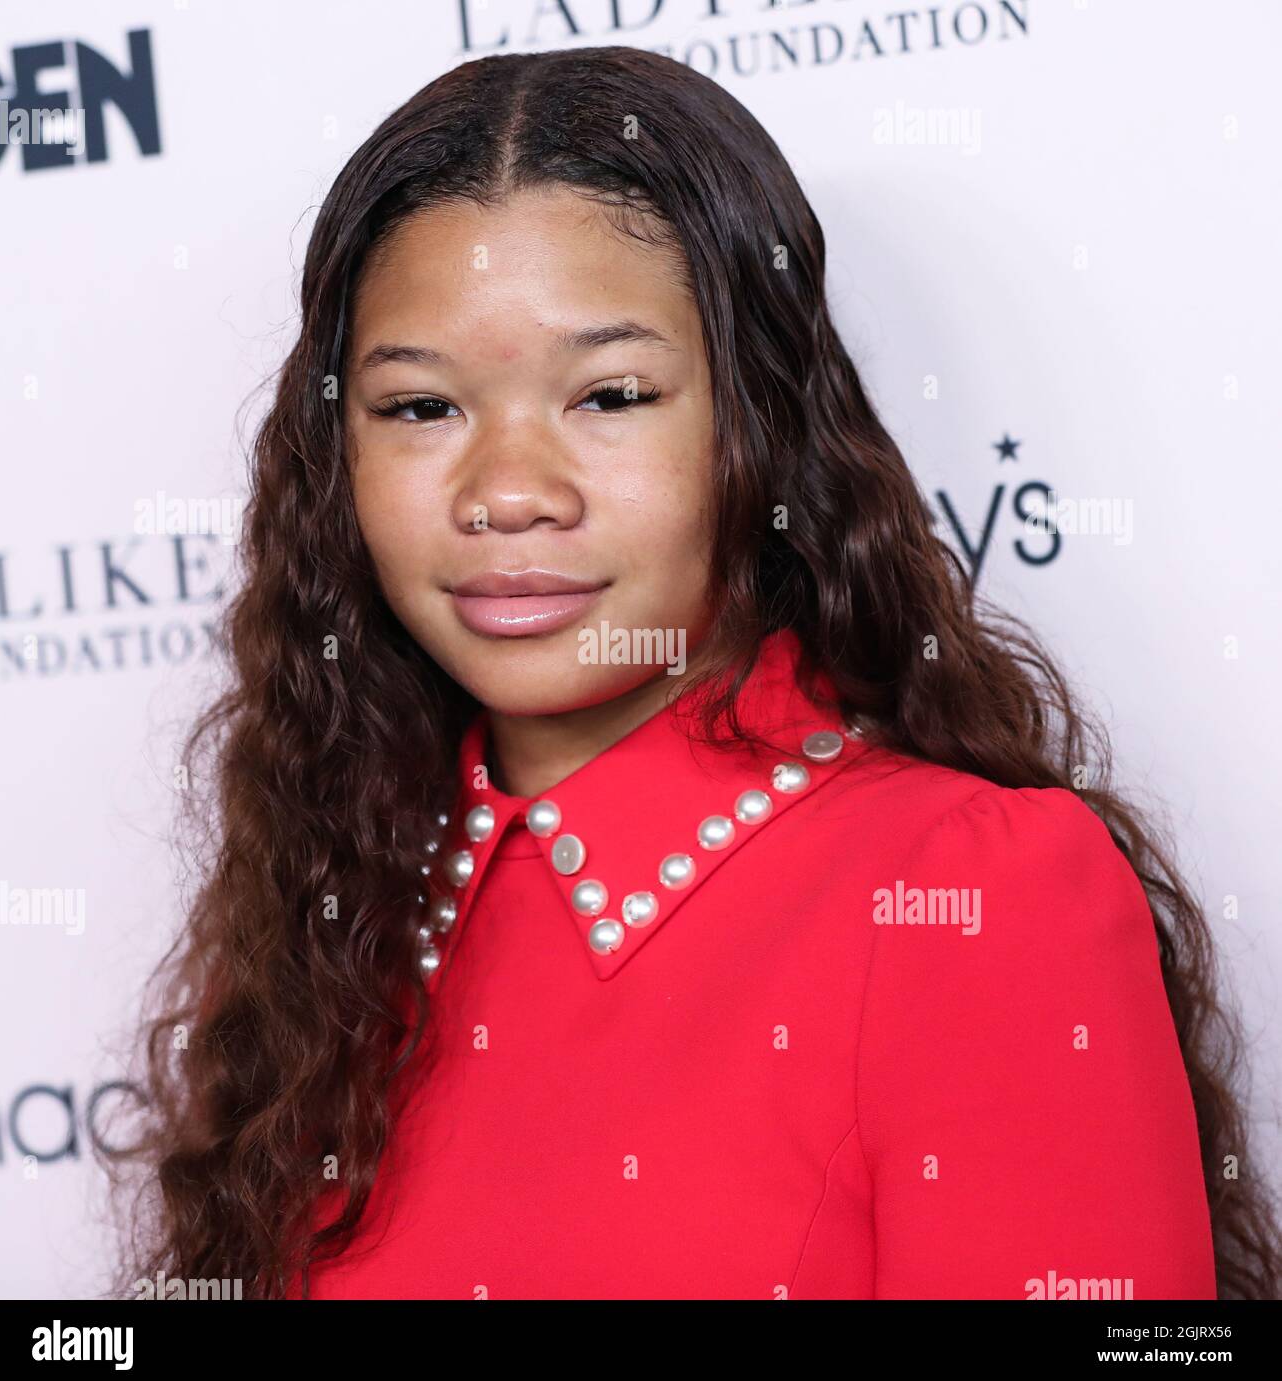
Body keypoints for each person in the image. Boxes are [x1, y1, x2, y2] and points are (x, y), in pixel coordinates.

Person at [116, 46, 1279, 1299]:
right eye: (420, 409)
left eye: (610, 395)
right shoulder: (328, 910)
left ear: (760, 426)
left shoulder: (971, 898)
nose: (508, 493)